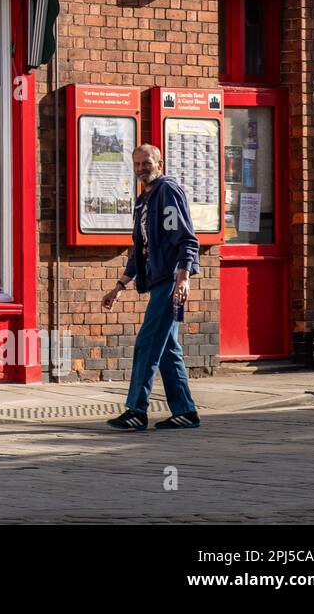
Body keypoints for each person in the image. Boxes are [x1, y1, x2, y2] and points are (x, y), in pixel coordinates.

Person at [101, 144, 202, 430]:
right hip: (159, 282)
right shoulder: (144, 199)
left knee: (147, 343)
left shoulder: (167, 191)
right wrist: (120, 285)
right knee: (167, 348)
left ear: (159, 163)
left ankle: (136, 410)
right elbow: (140, 251)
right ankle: (186, 412)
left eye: (146, 163)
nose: (141, 169)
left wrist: (183, 278)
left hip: (170, 282)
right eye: (137, 164)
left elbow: (187, 239)